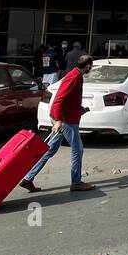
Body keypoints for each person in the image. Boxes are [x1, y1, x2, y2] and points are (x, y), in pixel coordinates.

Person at [19, 54, 97, 194]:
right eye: (90, 67)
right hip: (66, 121)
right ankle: (76, 182)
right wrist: (58, 120)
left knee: (49, 149)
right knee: (77, 149)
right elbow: (60, 98)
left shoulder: (74, 75)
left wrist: (79, 109)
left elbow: (69, 99)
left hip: (65, 118)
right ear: (88, 66)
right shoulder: (75, 77)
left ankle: (28, 178)